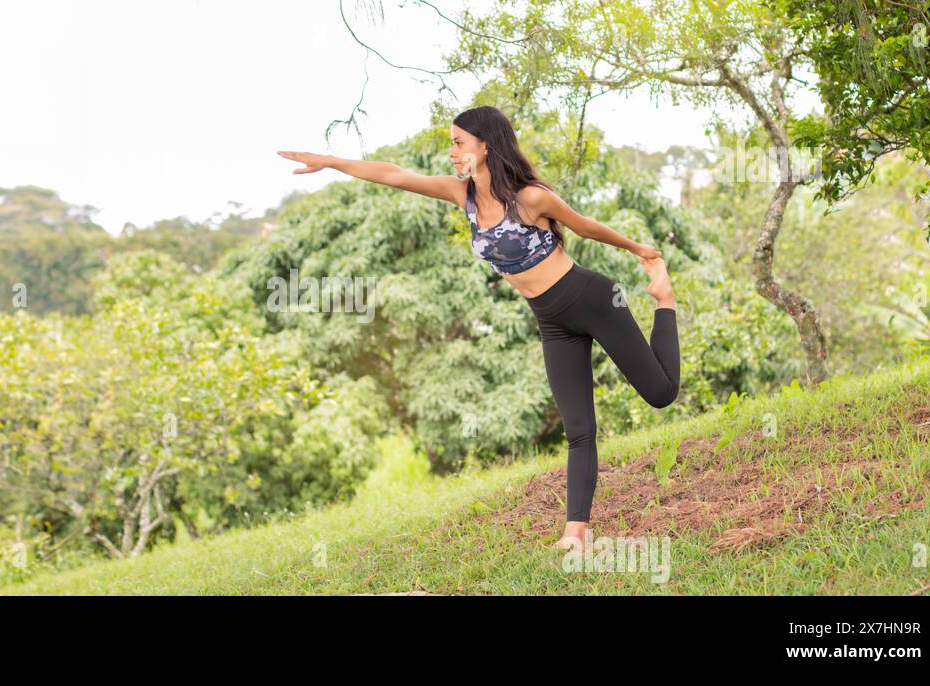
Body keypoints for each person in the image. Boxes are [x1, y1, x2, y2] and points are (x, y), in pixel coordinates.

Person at [277, 105, 680, 552]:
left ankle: (665, 300)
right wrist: (332, 161)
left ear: (485, 146)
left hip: (592, 299)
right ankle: (575, 534)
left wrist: (642, 250)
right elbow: (393, 174)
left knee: (661, 394)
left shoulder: (530, 197)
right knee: (579, 428)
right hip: (550, 321)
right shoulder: (461, 195)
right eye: (451, 143)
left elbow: (585, 227)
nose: (451, 152)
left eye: (458, 142)